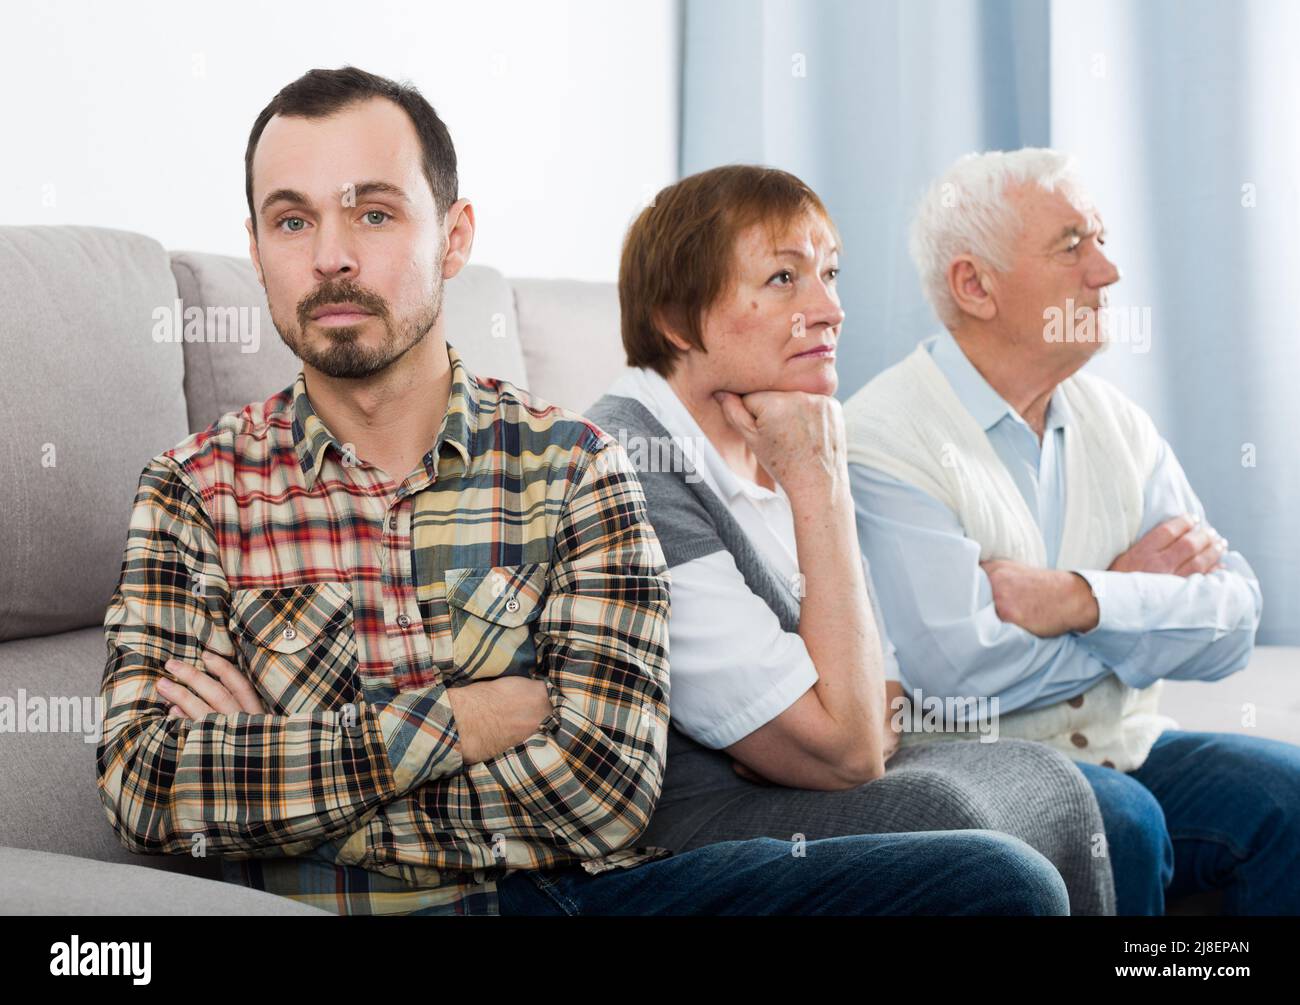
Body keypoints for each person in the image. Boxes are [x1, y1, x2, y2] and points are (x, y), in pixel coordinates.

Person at [94, 67, 1068, 917]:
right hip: (368, 915)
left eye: (375, 212)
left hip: (595, 896)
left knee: (997, 883)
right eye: (292, 219)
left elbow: (605, 788)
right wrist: (459, 723)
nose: (332, 255)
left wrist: (277, 761)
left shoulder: (575, 466)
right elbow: (145, 785)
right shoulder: (195, 492)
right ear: (258, 246)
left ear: (454, 236)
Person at [586, 164, 1114, 914]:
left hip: (802, 778)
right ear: (677, 319)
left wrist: (822, 724)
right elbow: (849, 749)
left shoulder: (780, 424)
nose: (829, 310)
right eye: (782, 278)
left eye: (830, 274)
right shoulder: (630, 461)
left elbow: (878, 703)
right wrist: (819, 487)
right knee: (962, 820)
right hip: (677, 831)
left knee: (1070, 788)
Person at [843, 147, 1299, 915]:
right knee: (1116, 822)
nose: (1108, 271)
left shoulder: (1116, 420)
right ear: (974, 285)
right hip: (963, 769)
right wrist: (1141, 603)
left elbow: (1234, 622)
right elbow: (952, 672)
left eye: (1102, 238)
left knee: (1285, 797)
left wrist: (1081, 597)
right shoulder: (882, 436)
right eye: (1073, 245)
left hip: (1125, 749)